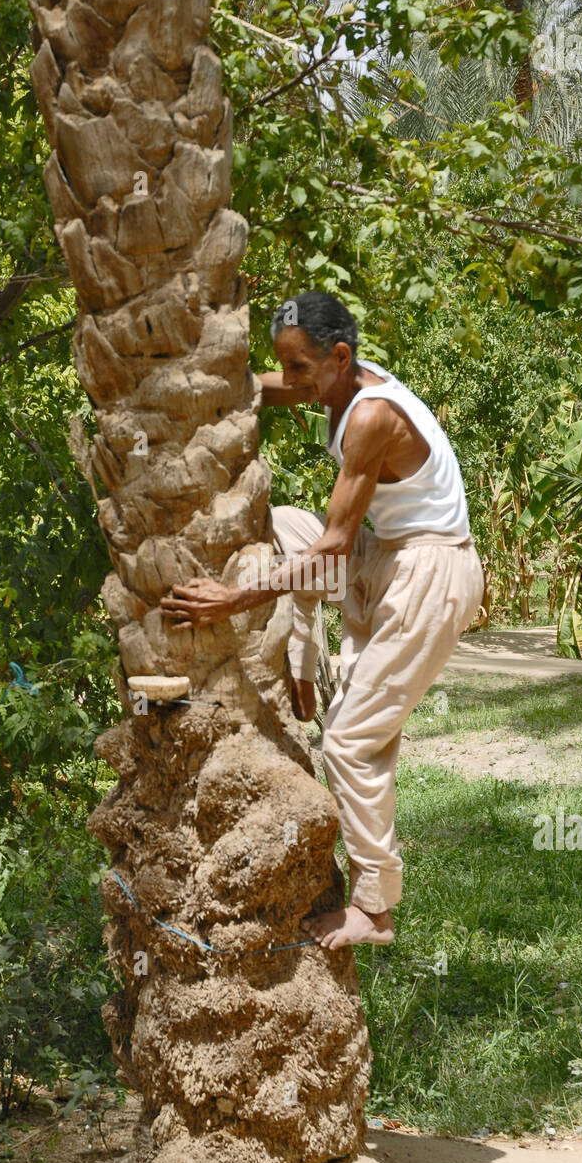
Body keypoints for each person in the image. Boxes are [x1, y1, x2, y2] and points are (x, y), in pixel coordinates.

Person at [160, 292, 484, 949]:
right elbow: (267, 390)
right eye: (283, 364)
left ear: (340, 357)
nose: (291, 381)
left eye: (300, 368)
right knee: (277, 525)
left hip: (429, 574)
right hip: (383, 557)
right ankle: (304, 663)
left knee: (350, 742)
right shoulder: (340, 382)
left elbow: (334, 547)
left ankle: (376, 909)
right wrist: (202, 387)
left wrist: (230, 601)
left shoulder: (372, 418)